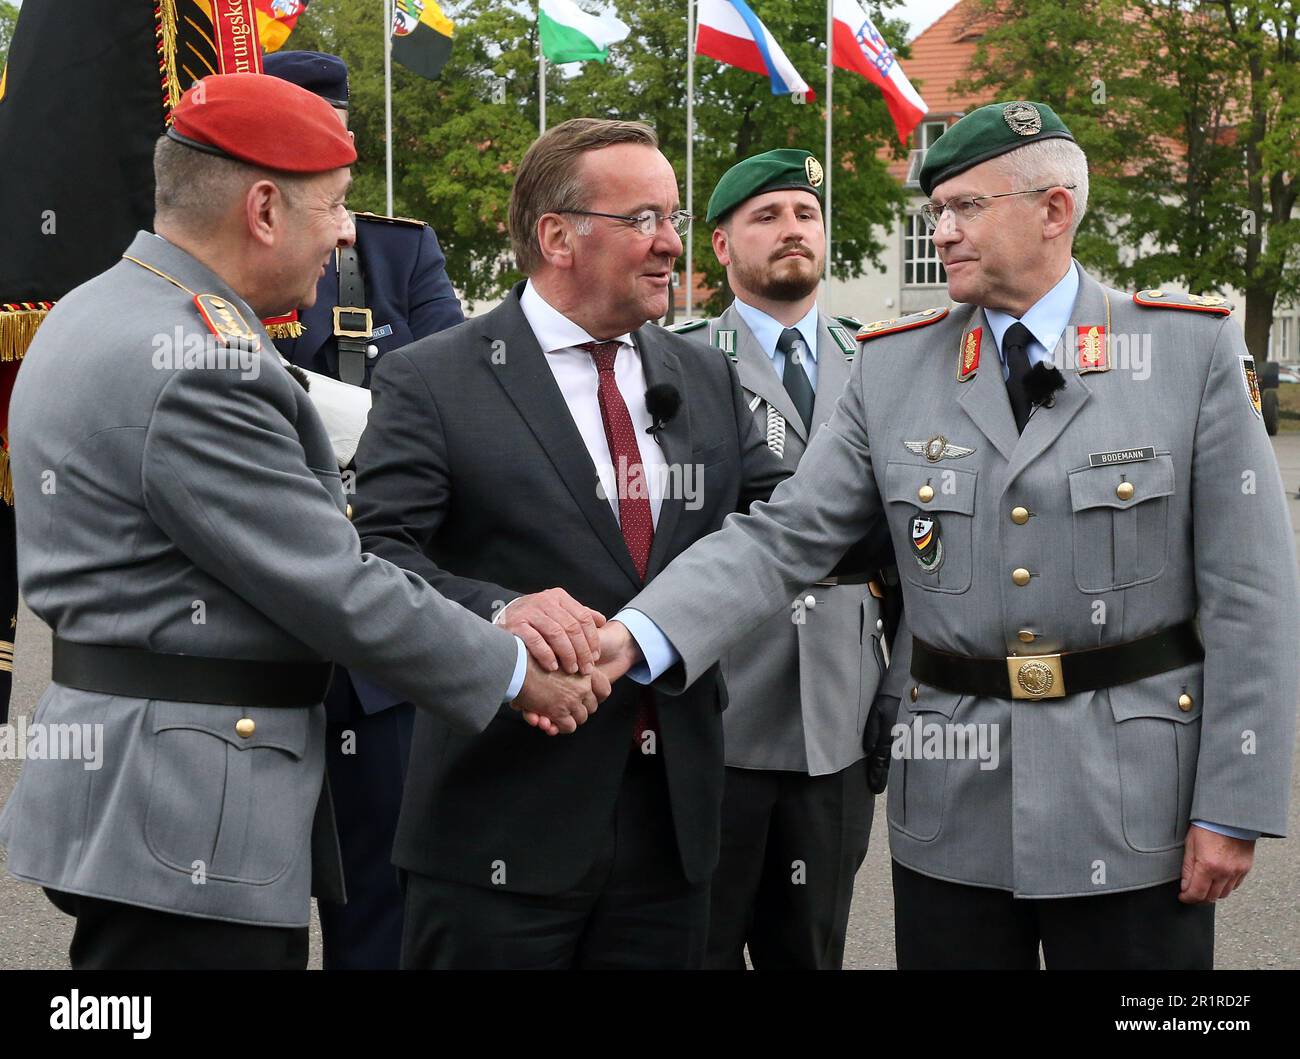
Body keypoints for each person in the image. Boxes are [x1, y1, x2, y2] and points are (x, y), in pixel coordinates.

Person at [598, 100, 1299, 970]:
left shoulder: (1184, 354)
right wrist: (638, 634)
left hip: (1134, 804)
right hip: (956, 809)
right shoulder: (893, 367)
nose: (943, 230)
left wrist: (1233, 804)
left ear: (1054, 209)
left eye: (967, 206)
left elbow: (1254, 600)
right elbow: (785, 537)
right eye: (936, 211)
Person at [0, 73, 600, 971]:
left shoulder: (104, 307)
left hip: (143, 794)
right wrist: (516, 669)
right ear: (266, 208)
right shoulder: (201, 360)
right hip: (187, 817)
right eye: (338, 207)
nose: (348, 234)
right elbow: (329, 580)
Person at [350, 118, 789, 970]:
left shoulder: (702, 374)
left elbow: (782, 523)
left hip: (673, 829)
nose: (672, 244)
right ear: (556, 235)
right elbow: (377, 557)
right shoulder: (433, 378)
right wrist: (501, 610)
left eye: (675, 215)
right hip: (496, 827)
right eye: (644, 220)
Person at [671, 149, 904, 969]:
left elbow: (925, 546)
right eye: (765, 216)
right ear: (722, 245)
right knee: (697, 940)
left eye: (805, 213)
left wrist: (901, 678)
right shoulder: (679, 360)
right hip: (719, 703)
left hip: (842, 705)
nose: (792, 230)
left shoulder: (884, 358)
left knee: (811, 947)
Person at [261, 48, 464, 971]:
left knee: (377, 907)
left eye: (331, 131)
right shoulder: (200, 260)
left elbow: (459, 411)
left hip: (371, 637)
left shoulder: (397, 249)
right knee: (233, 913)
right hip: (243, 636)